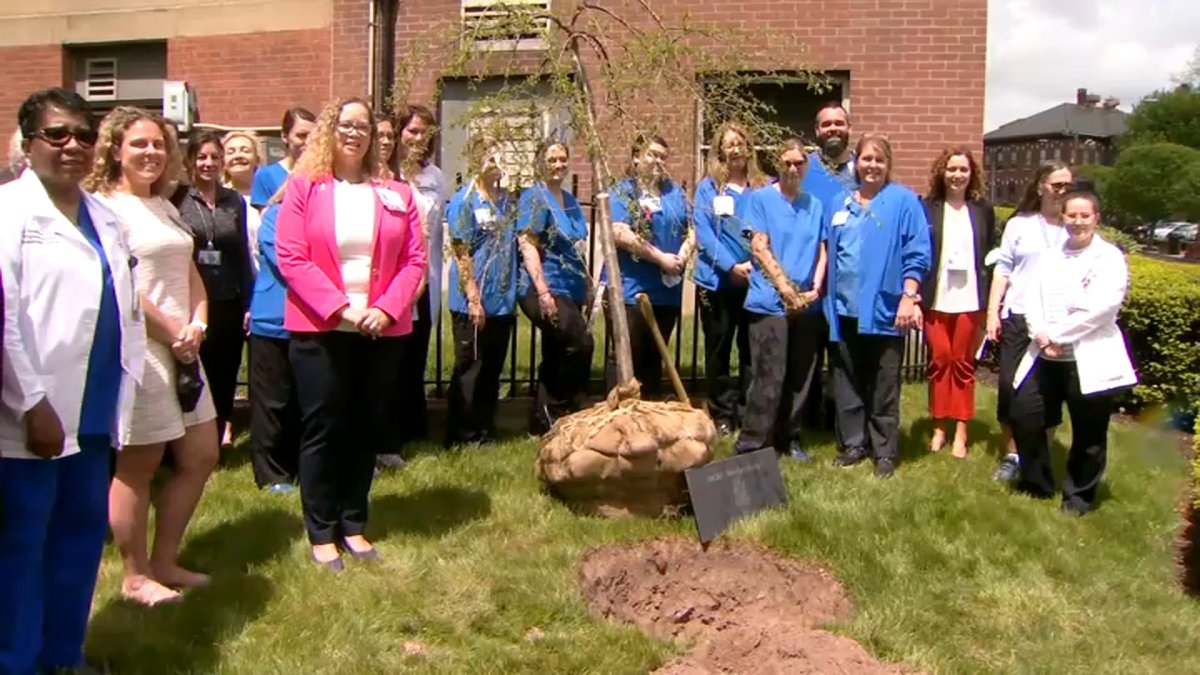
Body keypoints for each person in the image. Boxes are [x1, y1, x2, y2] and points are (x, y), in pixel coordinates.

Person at [0, 88, 146, 675]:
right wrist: (30, 402)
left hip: (94, 408)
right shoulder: (8, 213)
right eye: (56, 135)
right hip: (32, 415)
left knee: (80, 541)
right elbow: (3, 317)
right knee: (21, 545)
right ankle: (16, 660)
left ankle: (65, 654)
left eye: (84, 136)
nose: (72, 146)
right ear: (27, 142)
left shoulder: (104, 215)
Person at [275, 97, 425, 569]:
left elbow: (415, 261)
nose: (355, 133)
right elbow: (291, 257)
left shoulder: (397, 193)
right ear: (330, 130)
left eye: (364, 127)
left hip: (381, 328)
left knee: (365, 427)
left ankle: (353, 523)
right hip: (321, 328)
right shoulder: (304, 188)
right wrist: (343, 309)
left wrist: (384, 308)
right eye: (346, 124)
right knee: (324, 427)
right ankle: (321, 531)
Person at [84, 106, 219, 606]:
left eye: (158, 144)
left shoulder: (165, 204)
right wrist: (172, 331)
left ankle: (166, 560)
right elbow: (121, 285)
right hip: (141, 351)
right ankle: (134, 575)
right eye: (139, 144)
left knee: (202, 454)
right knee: (138, 465)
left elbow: (189, 274)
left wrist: (198, 324)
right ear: (115, 150)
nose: (150, 152)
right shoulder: (103, 206)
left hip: (184, 345)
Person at [1009, 187, 1135, 515]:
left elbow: (1103, 308)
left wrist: (1058, 335)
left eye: (1084, 216)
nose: (1077, 222)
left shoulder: (1109, 258)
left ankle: (1078, 497)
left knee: (1089, 433)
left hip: (1087, 357)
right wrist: (1040, 334)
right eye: (1071, 215)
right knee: (1025, 413)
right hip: (1045, 353)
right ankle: (1037, 483)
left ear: (1096, 218)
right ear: (1062, 216)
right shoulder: (1050, 256)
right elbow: (1031, 298)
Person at [824, 134, 931, 478]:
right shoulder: (840, 203)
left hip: (885, 310)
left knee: (884, 384)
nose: (872, 166)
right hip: (843, 309)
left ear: (888, 164)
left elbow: (918, 252)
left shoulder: (903, 202)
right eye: (866, 159)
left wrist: (909, 295)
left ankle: (884, 450)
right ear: (856, 161)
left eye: (879, 160)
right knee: (847, 379)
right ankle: (854, 443)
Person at [735, 139, 827, 461]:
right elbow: (758, 247)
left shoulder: (814, 204)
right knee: (768, 376)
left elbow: (822, 249)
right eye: (786, 163)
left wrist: (815, 285)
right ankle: (753, 445)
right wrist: (785, 290)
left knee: (800, 375)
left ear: (806, 166)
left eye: (798, 163)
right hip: (769, 302)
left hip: (805, 303)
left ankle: (790, 437)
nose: (792, 169)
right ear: (777, 164)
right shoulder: (760, 200)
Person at [986, 161, 1073, 482]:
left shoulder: (1073, 226)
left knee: (1049, 392)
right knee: (1011, 387)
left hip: (1056, 324)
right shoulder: (1020, 225)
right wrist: (993, 312)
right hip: (1019, 317)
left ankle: (1041, 455)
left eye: (1068, 185)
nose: (1062, 191)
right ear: (1040, 186)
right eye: (1056, 184)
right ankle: (1012, 455)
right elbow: (1003, 269)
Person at [174, 131, 254, 448]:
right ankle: (184, 446)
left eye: (214, 157)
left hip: (228, 302)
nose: (209, 163)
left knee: (223, 376)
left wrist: (247, 300)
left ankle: (215, 443)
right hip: (192, 303)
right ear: (191, 160)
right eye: (202, 157)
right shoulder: (177, 198)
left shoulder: (233, 200)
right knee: (194, 373)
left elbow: (241, 254)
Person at [920, 147, 996, 458]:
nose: (957, 175)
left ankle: (961, 431)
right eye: (952, 169)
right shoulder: (927, 208)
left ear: (972, 174)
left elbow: (990, 255)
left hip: (969, 299)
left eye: (963, 169)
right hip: (936, 298)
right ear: (942, 172)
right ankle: (939, 426)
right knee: (940, 362)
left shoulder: (982, 210)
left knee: (963, 364)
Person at [692, 122, 768, 436]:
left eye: (740, 142)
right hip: (717, 283)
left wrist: (755, 264)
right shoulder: (708, 188)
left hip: (755, 282)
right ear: (719, 149)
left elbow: (768, 228)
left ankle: (748, 410)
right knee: (719, 350)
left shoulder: (762, 186)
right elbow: (704, 234)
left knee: (751, 350)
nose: (735, 149)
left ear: (749, 147)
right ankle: (722, 412)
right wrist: (730, 265)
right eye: (729, 144)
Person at [516, 140, 594, 435]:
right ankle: (568, 405)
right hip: (544, 286)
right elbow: (528, 244)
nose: (559, 165)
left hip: (571, 287)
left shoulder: (571, 201)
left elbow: (577, 247)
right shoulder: (535, 197)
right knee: (581, 342)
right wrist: (543, 291)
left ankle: (541, 419)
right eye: (552, 160)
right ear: (540, 162)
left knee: (557, 350)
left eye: (563, 159)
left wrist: (586, 284)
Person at [445, 135, 517, 446]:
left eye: (500, 155)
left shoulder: (507, 204)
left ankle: (485, 431)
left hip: (502, 302)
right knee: (470, 368)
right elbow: (462, 254)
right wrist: (473, 297)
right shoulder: (464, 201)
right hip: (471, 303)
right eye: (489, 155)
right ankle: (462, 434)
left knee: (491, 370)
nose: (495, 161)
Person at [607, 133, 692, 398]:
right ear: (636, 157)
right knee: (628, 356)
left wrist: (681, 255)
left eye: (663, 157)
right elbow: (619, 233)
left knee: (656, 358)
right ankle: (621, 418)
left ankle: (649, 418)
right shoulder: (623, 191)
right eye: (652, 154)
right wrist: (660, 258)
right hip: (633, 291)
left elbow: (692, 230)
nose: (658, 161)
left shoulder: (674, 193)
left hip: (666, 291)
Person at [388, 104, 447, 454]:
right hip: (395, 278)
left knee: (417, 350)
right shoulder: (388, 174)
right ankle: (389, 426)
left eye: (424, 132)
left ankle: (414, 424)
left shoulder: (435, 177)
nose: (417, 138)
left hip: (426, 274)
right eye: (411, 131)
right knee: (393, 352)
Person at [247, 188, 300, 493]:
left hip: (314, 322)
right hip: (273, 320)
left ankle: (300, 466)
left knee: (304, 401)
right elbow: (286, 262)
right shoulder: (275, 216)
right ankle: (271, 474)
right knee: (272, 401)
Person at [250, 107, 316, 211]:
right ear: (285, 136)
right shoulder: (265, 174)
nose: (308, 142)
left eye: (314, 136)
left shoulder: (325, 172)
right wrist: (286, 188)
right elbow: (266, 219)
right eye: (301, 136)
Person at [222, 130, 263, 274]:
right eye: (231, 152)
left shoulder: (270, 196)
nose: (238, 156)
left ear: (257, 160)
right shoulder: (217, 199)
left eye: (245, 151)